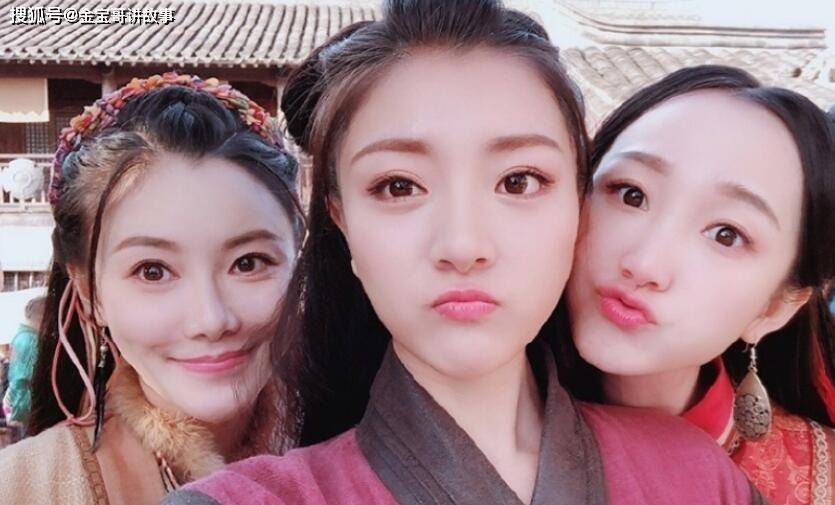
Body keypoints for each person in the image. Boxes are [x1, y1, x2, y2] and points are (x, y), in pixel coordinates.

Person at [166, 2, 764, 504]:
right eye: (398, 186)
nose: (463, 246)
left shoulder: (696, 476)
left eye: (519, 181)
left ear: (579, 204)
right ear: (342, 221)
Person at [0, 73, 303, 504]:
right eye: (153, 271)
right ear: (89, 291)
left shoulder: (368, 458)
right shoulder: (20, 488)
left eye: (249, 263)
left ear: (299, 263)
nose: (211, 320)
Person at [560, 65, 835, 504]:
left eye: (726, 234)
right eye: (631, 194)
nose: (645, 264)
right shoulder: (468, 429)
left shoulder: (817, 479)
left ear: (775, 307)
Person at [4, 296, 45, 425]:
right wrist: (19, 416)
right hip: (25, 410)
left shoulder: (20, 337)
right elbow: (22, 381)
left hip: (17, 404)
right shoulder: (30, 341)